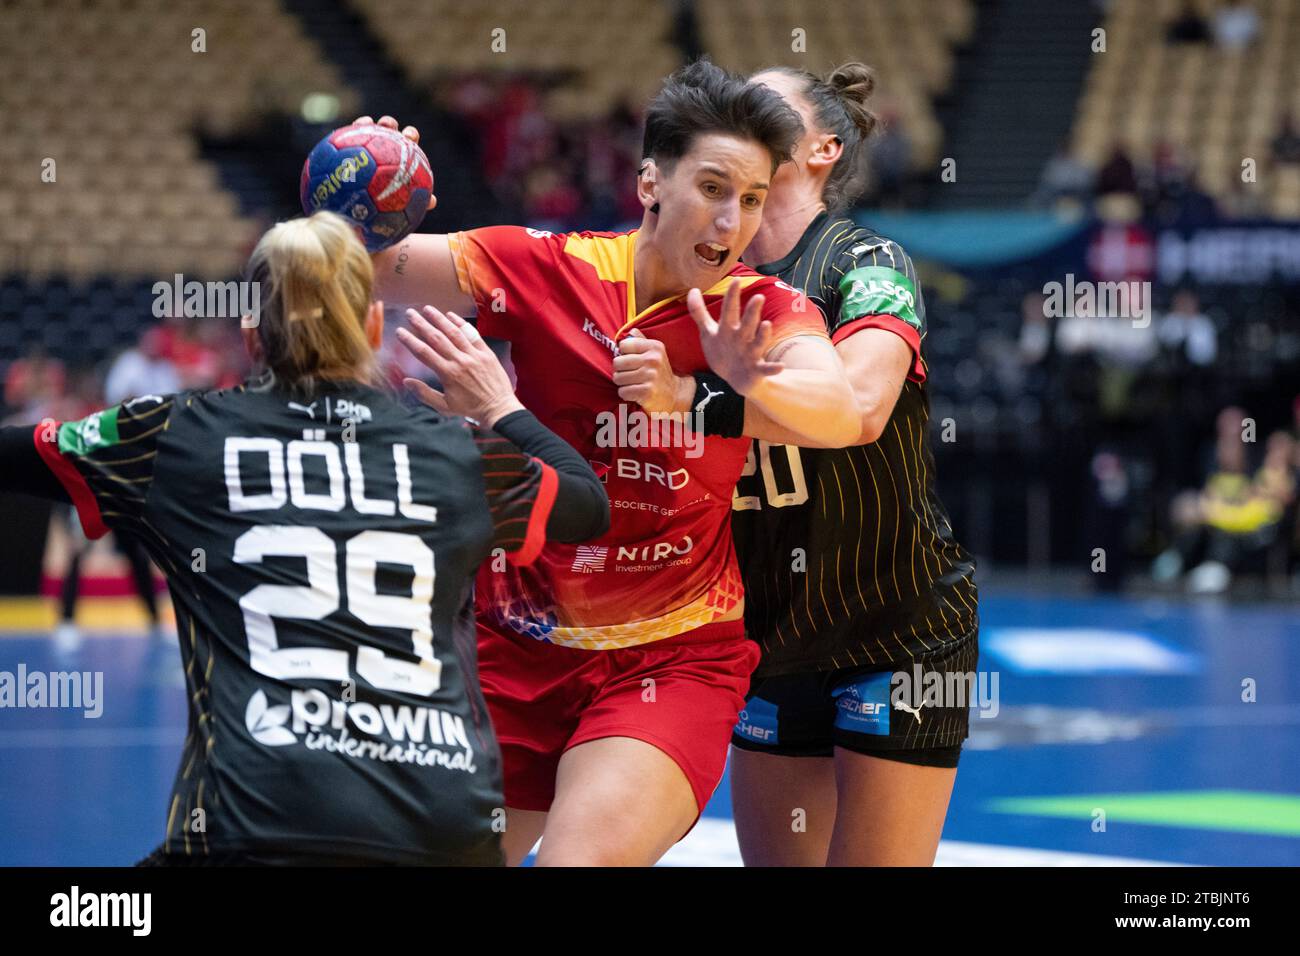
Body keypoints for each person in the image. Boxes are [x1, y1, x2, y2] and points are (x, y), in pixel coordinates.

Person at [364, 58, 858, 865]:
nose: (732, 220)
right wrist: (361, 198)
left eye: (754, 199)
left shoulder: (761, 310)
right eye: (713, 187)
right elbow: (362, 270)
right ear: (650, 184)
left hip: (673, 657)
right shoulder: (547, 268)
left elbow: (838, 415)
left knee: (577, 861)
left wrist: (711, 391)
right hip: (515, 646)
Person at [0, 211, 609, 865]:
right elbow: (587, 504)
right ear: (375, 328)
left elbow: (15, 456)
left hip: (258, 825)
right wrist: (501, 407)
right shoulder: (460, 455)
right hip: (445, 832)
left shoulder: (178, 436)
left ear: (251, 338)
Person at [626, 63, 979, 865]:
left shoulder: (867, 260)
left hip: (902, 627)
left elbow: (860, 410)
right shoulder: (692, 268)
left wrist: (697, 402)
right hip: (767, 635)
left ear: (822, 148)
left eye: (765, 105)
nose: (742, 114)